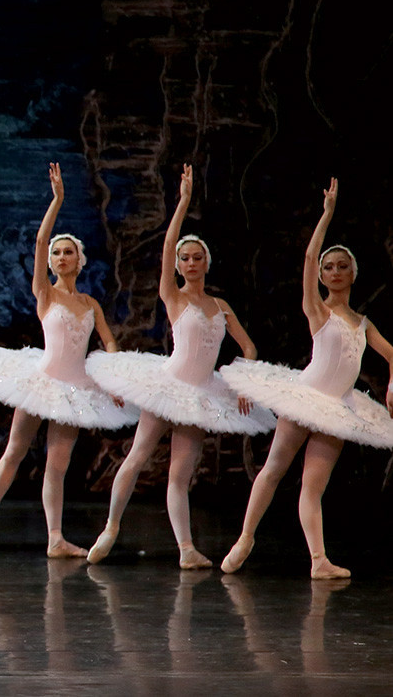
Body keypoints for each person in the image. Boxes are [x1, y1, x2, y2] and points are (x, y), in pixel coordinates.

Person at [85, 165, 276, 568]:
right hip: (169, 386)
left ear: (206, 263)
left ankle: (186, 549)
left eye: (196, 258)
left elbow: (249, 347)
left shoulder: (220, 306)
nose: (190, 262)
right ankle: (111, 528)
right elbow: (168, 241)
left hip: (201, 393)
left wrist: (242, 383)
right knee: (137, 457)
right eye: (184, 258)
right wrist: (183, 202)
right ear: (177, 265)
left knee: (179, 476)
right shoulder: (173, 296)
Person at [219, 179, 393, 579]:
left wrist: (390, 382)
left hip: (338, 407)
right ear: (321, 275)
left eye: (341, 266)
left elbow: (391, 354)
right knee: (274, 468)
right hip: (307, 396)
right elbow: (310, 254)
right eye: (328, 267)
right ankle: (245, 538)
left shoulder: (363, 323)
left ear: (353, 273)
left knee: (313, 487)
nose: (334, 271)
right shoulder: (317, 309)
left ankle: (318, 561)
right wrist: (327, 214)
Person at [0, 163, 138, 557]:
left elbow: (109, 342)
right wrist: (57, 200)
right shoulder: (46, 294)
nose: (60, 256)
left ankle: (55, 537)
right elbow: (39, 242)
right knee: (15, 450)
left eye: (67, 252)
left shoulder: (90, 303)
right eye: (57, 253)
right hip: (42, 382)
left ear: (79, 260)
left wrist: (114, 380)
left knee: (57, 465)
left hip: (75, 390)